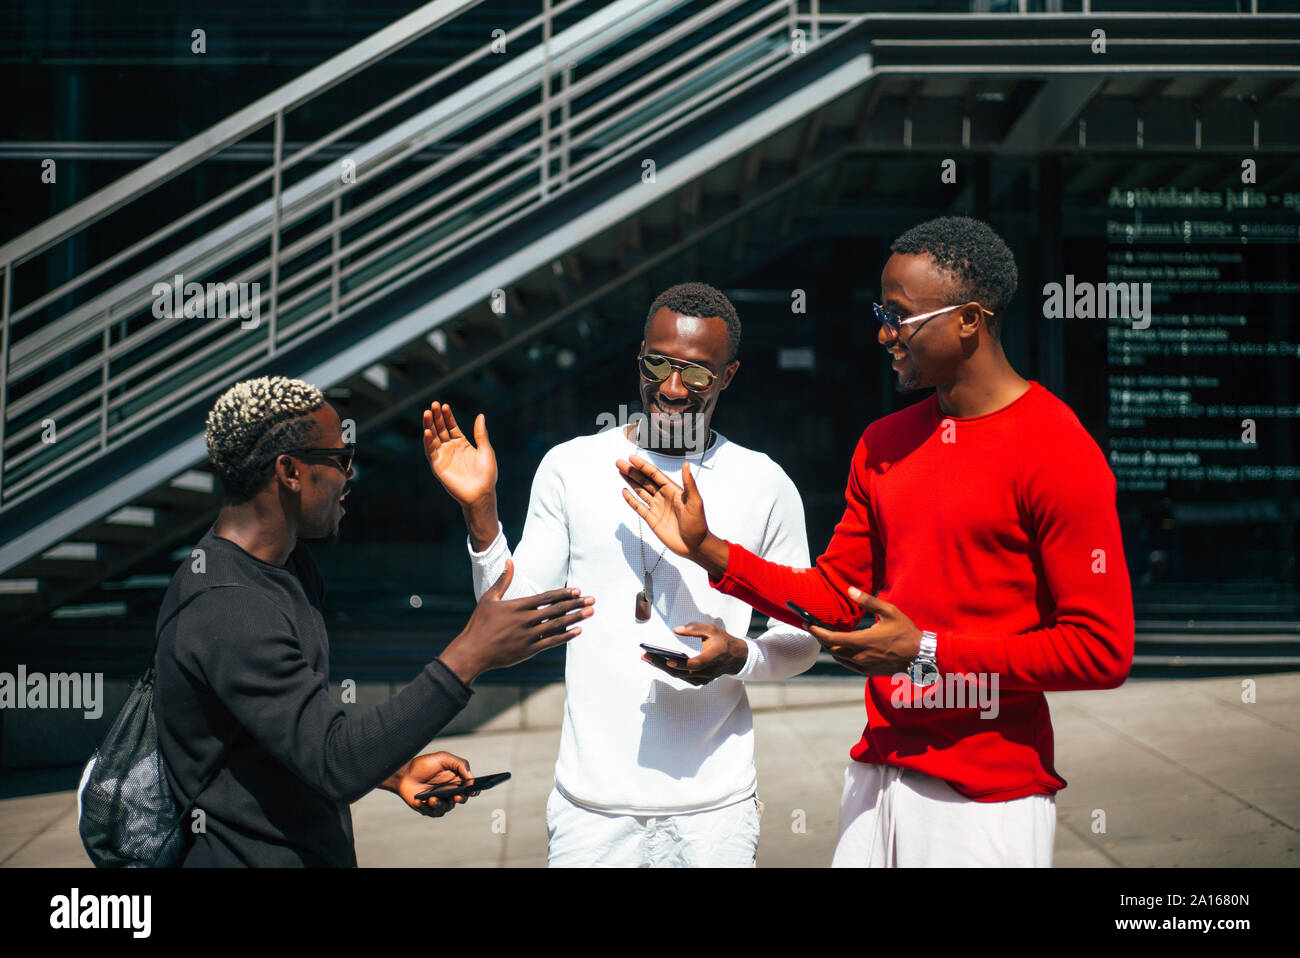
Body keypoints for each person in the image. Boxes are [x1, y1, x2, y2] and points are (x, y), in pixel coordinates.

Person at [619, 218, 1135, 867]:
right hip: (877, 772)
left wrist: (924, 653)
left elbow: (1102, 649)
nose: (884, 334)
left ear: (971, 319)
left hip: (986, 797)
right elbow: (836, 596)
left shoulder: (1057, 449)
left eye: (901, 316)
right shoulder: (884, 443)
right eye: (880, 311)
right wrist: (708, 549)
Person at [423, 282, 819, 867]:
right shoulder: (571, 466)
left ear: (729, 376)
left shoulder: (764, 484)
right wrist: (482, 517)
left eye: (698, 374)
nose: (673, 387)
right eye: (657, 363)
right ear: (639, 354)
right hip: (590, 811)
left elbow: (805, 637)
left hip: (715, 813)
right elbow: (509, 619)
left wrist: (741, 656)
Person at [153, 376, 594, 866]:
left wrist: (393, 772)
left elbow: (297, 738)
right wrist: (469, 655)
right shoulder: (226, 607)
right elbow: (335, 763)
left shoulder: (289, 570)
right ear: (290, 471)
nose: (350, 475)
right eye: (340, 460)